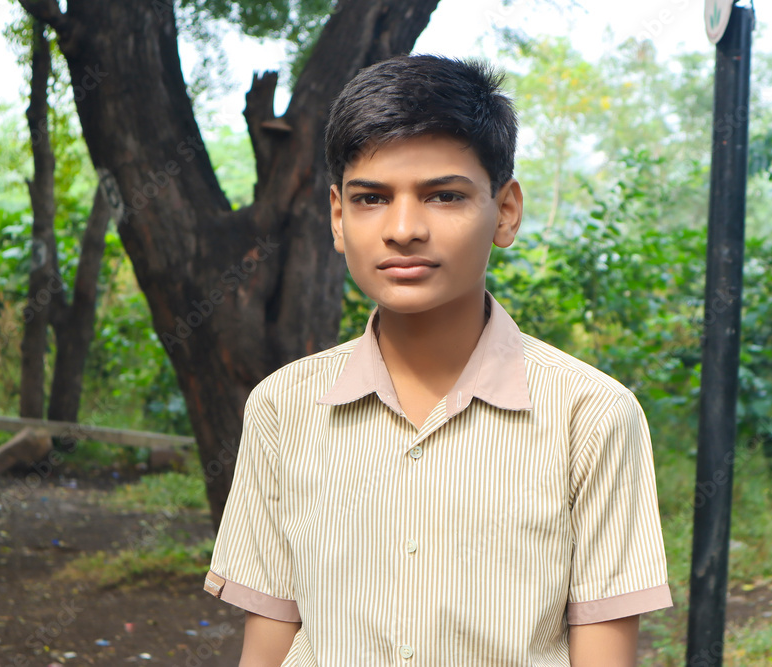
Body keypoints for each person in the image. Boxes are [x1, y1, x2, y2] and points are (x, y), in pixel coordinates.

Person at [204, 54, 672, 666]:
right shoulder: (283, 407)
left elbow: (604, 654)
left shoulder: (592, 416)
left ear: (505, 211)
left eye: (444, 196)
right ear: (338, 217)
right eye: (372, 199)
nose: (403, 229)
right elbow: (267, 641)